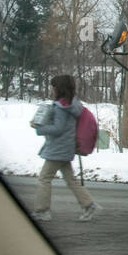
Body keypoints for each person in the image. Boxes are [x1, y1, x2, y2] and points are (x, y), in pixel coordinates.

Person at [30, 74, 100, 222]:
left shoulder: (61, 107)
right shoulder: (71, 104)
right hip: (65, 148)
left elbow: (58, 128)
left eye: (53, 87)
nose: (52, 89)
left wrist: (39, 127)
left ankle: (42, 210)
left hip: (58, 150)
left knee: (44, 178)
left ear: (58, 88)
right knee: (71, 180)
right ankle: (88, 204)